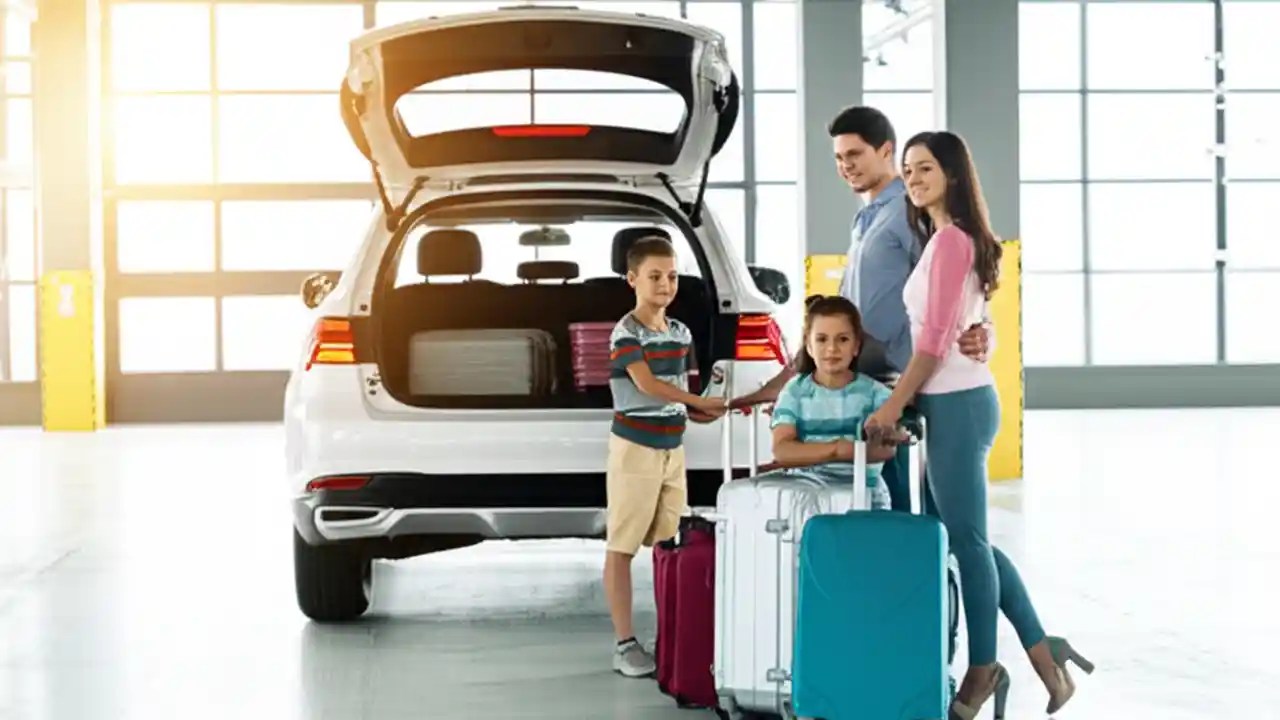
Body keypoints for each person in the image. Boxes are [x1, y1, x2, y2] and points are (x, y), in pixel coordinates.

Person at [864, 131, 1093, 719]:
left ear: (954, 175)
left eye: (925, 169)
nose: (912, 179)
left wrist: (891, 408)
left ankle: (984, 668)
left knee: (964, 542)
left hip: (958, 403)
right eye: (909, 170)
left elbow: (935, 343)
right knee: (967, 540)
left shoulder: (950, 242)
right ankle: (1046, 655)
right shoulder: (942, 239)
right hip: (949, 401)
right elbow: (961, 322)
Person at [732, 105, 988, 513]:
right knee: (891, 515)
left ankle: (945, 579)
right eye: (838, 158)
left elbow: (955, 281)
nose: (845, 166)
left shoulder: (907, 213)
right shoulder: (868, 220)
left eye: (854, 155)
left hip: (900, 389)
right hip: (864, 388)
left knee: (923, 518)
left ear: (886, 152)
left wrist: (979, 324)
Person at [603, 235, 728, 678]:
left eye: (672, 276)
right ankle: (624, 643)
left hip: (672, 452)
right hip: (635, 451)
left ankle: (670, 637)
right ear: (633, 279)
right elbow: (648, 386)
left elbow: (682, 396)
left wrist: (704, 410)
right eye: (655, 276)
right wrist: (695, 403)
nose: (665, 284)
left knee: (668, 543)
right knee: (622, 545)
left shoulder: (679, 333)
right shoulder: (626, 334)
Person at [768, 296, 905, 509]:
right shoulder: (795, 391)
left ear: (856, 346)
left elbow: (884, 451)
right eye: (822, 339)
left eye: (842, 339)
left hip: (864, 493)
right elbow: (782, 450)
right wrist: (838, 450)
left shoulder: (875, 394)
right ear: (809, 346)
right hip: (808, 492)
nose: (832, 348)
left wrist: (832, 452)